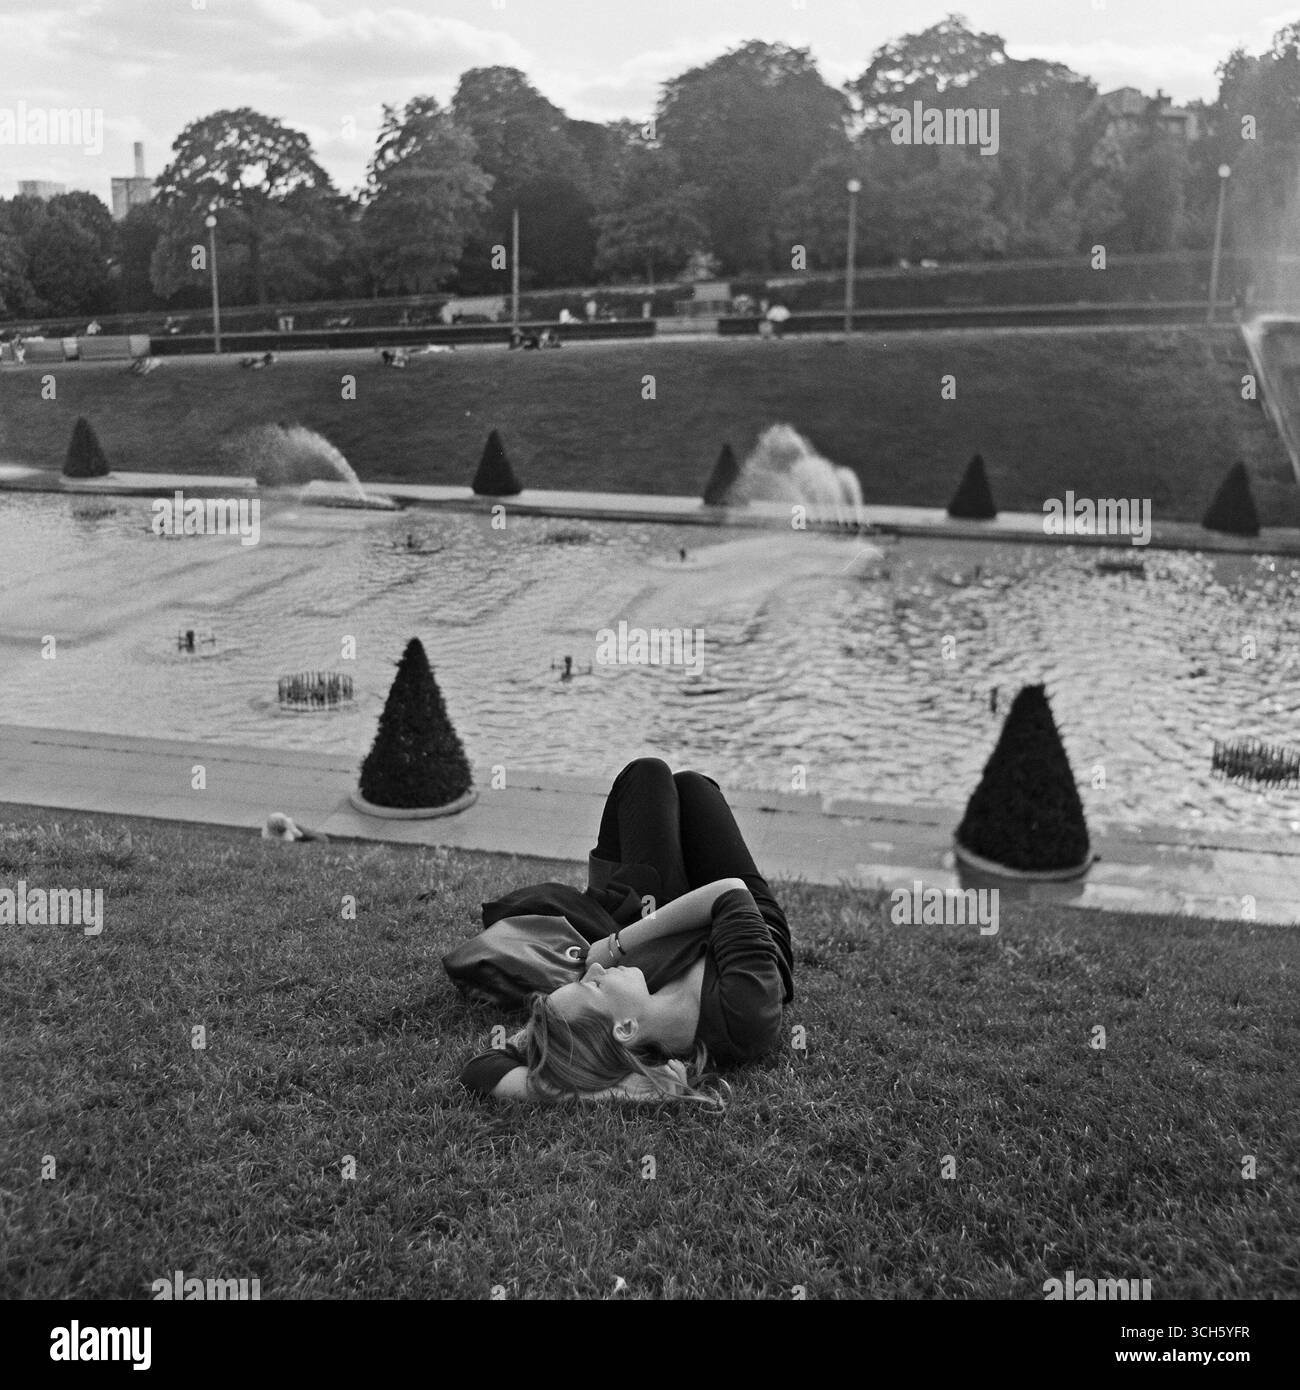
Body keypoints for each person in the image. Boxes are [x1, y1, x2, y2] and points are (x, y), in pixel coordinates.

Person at [455, 757, 794, 1107]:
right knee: (694, 786)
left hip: (667, 914)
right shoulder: (745, 1015)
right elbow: (730, 893)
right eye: (593, 985)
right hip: (742, 915)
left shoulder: (619, 1008)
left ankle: (621, 888)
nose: (594, 969)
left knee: (648, 773)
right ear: (626, 1028)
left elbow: (481, 1068)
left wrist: (604, 1093)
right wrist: (617, 943)